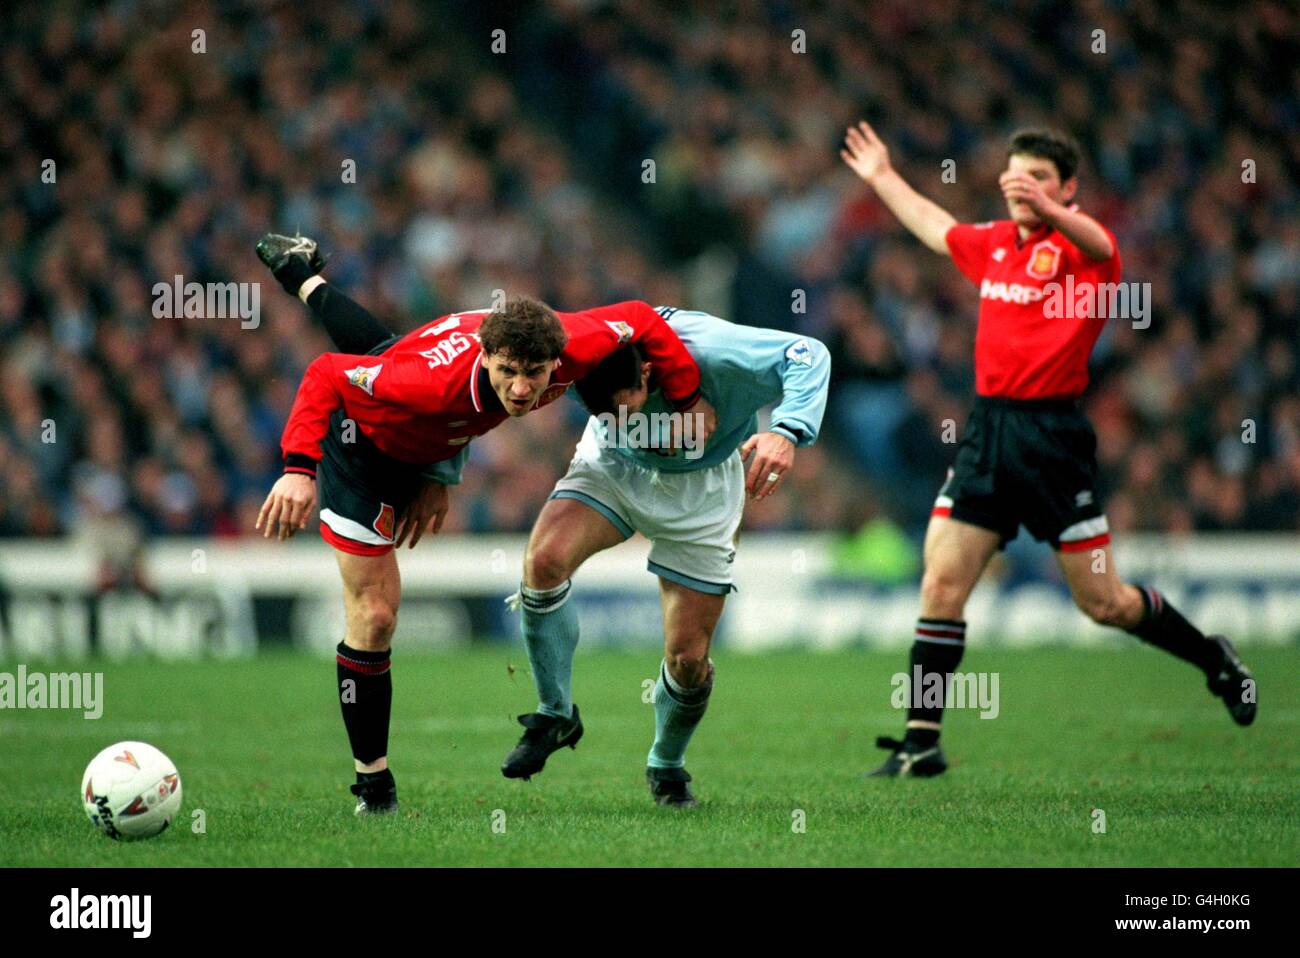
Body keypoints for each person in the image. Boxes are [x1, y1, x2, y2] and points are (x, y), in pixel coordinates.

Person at [840, 122, 1257, 778]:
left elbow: (1101, 238)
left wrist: (1052, 212)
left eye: (1037, 177)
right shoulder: (996, 245)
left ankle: (1215, 660)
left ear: (1068, 188)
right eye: (1015, 175)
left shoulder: (1086, 254)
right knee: (942, 582)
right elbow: (933, 224)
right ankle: (922, 740)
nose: (1020, 188)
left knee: (1105, 603)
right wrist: (883, 176)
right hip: (987, 435)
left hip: (1051, 441)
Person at [253, 234, 716, 813]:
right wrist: (298, 469)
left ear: (558, 358)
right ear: (485, 357)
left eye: (536, 374)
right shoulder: (425, 385)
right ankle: (374, 789)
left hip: (417, 414)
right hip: (360, 452)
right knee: (374, 617)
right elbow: (326, 374)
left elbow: (642, 318)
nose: (522, 390)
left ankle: (301, 273)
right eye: (508, 373)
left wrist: (690, 395)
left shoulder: (575, 342)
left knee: (384, 350)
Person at [500, 306, 830, 806]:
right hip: (611, 468)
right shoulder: (572, 351)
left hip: (702, 487)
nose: (622, 419)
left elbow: (809, 353)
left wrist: (787, 431)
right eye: (603, 412)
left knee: (688, 659)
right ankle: (554, 713)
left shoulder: (716, 351)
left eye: (626, 407)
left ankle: (666, 765)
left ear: (648, 372)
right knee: (542, 562)